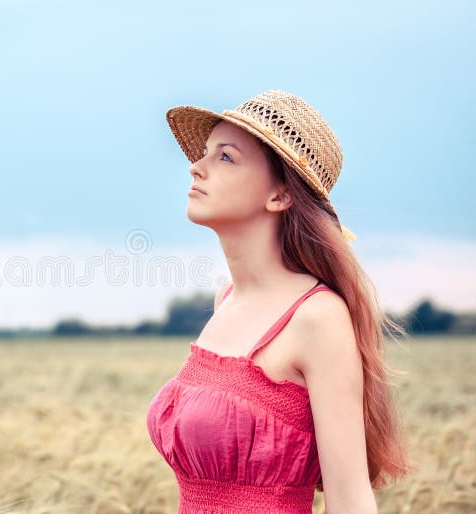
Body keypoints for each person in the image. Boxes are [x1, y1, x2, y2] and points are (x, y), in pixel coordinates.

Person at [146, 90, 414, 513]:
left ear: (280, 196)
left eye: (226, 157)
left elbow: (350, 500)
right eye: (206, 153)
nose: (196, 167)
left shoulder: (317, 318)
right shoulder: (226, 302)